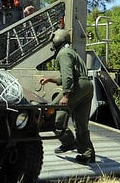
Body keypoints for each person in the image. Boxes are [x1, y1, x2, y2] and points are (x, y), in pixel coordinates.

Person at [40, 29, 96, 164]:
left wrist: (66, 95)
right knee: (81, 124)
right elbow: (69, 75)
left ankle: (69, 143)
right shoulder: (71, 52)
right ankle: (88, 154)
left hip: (76, 87)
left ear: (57, 39)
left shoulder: (63, 54)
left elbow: (68, 76)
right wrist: (51, 80)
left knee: (53, 117)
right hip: (87, 86)